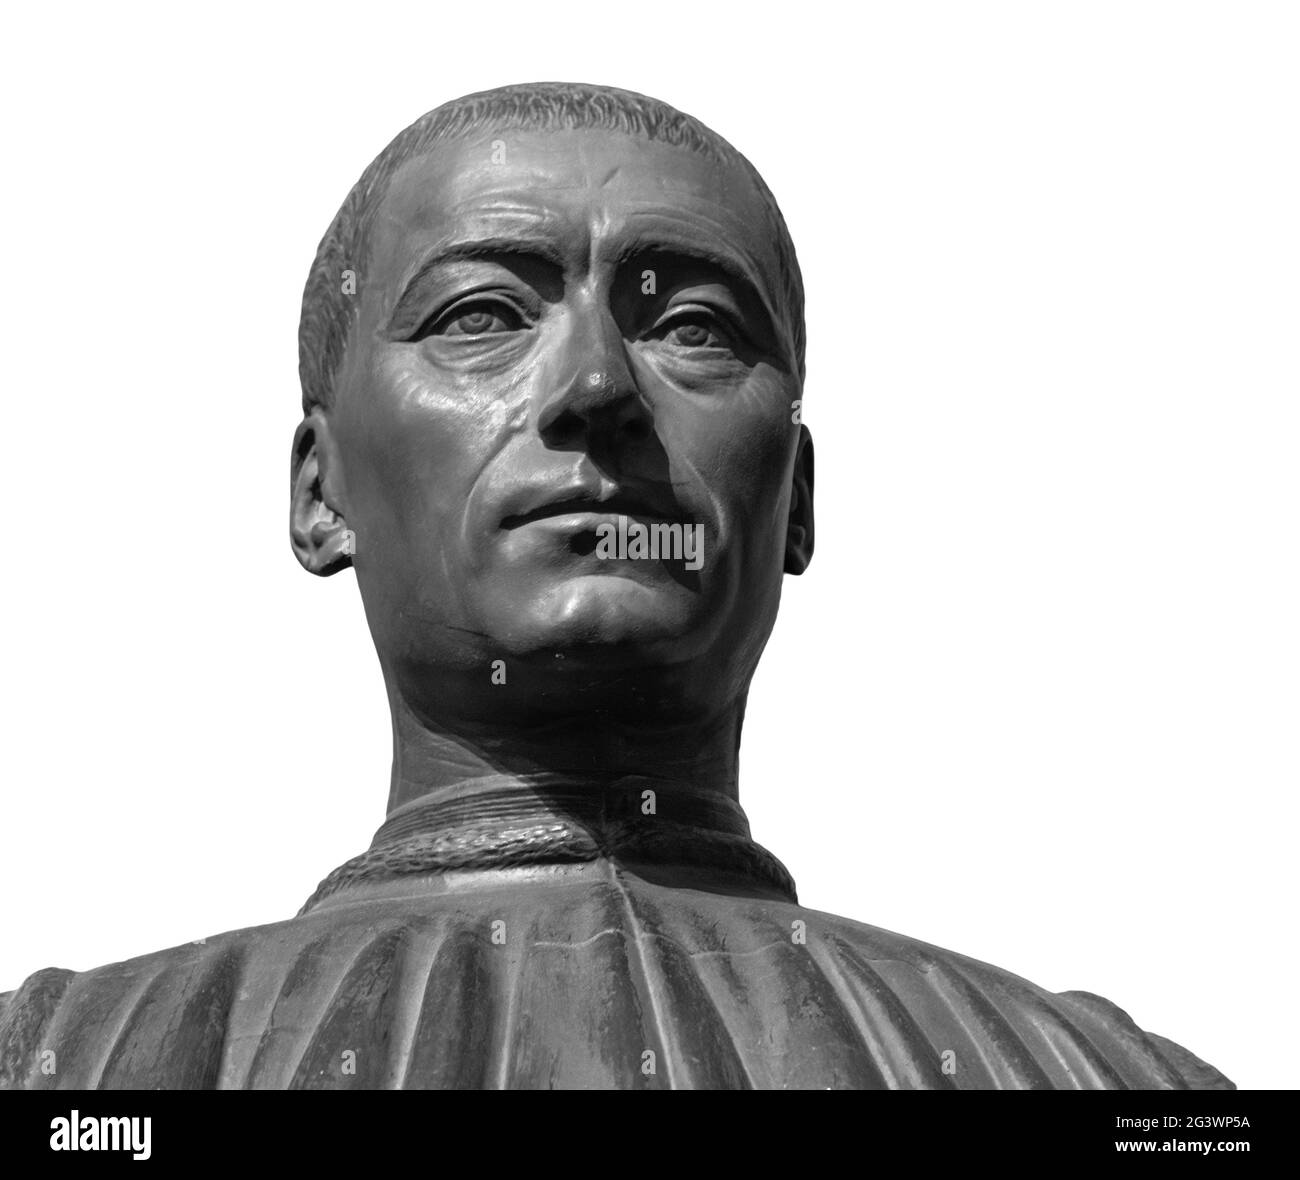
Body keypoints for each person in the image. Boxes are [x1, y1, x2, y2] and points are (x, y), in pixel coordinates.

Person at [0, 82, 1232, 1090]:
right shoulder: (64, 1069)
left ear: (795, 497)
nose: (595, 384)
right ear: (322, 493)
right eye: (480, 314)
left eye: (692, 326)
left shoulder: (1120, 1090)